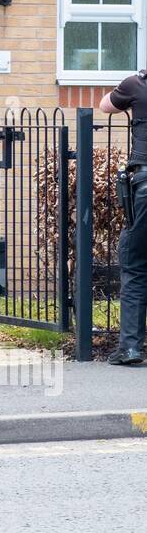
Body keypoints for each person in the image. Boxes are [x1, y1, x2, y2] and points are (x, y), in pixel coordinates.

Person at [100, 70, 147, 364]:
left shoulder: (136, 84)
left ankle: (130, 348)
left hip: (144, 186)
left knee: (135, 264)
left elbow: (105, 105)